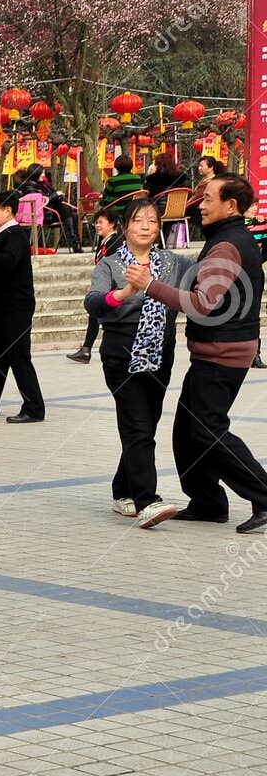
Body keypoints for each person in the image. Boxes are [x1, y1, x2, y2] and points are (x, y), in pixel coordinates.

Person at [133, 174, 267, 533]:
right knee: (188, 431)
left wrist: (150, 286)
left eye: (208, 199)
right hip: (217, 349)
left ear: (231, 206)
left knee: (208, 429)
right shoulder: (229, 239)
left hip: (224, 351)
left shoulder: (227, 245)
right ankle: (207, 502)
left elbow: (204, 305)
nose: (201, 205)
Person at [83, 200, 190, 529]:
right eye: (138, 220)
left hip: (160, 353)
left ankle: (122, 490)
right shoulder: (111, 265)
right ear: (124, 226)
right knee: (138, 427)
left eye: (152, 220)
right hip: (121, 356)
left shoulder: (172, 263)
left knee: (144, 425)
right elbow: (94, 302)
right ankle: (147, 500)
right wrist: (125, 291)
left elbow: (205, 279)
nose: (145, 225)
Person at [0, 189, 45, 423]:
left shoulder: (14, 235)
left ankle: (34, 407)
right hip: (2, 308)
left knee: (19, 356)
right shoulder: (0, 236)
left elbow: (6, 264)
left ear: (8, 210)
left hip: (16, 307)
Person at [68, 209, 124, 363]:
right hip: (105, 286)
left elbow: (116, 267)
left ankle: (88, 349)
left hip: (115, 288)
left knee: (104, 316)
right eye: (96, 222)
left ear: (112, 224)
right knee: (95, 313)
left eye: (101, 222)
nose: (97, 225)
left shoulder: (117, 242)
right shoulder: (105, 241)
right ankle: (86, 350)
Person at [17, 164, 81, 252]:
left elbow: (50, 197)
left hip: (52, 211)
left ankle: (76, 243)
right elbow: (41, 202)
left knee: (71, 213)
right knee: (68, 211)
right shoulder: (29, 187)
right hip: (42, 214)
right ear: (36, 173)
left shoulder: (45, 184)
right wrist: (55, 195)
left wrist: (59, 196)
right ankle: (75, 244)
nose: (44, 175)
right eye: (42, 173)